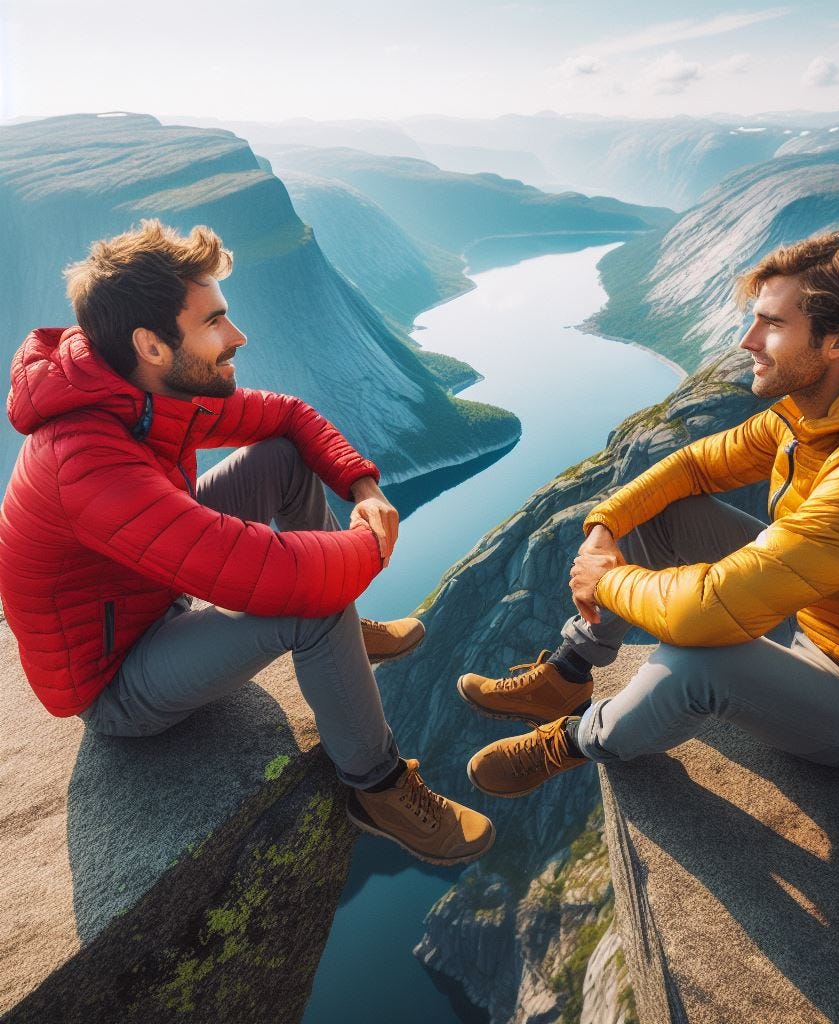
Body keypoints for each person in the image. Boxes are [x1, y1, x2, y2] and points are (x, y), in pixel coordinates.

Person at [0, 220, 493, 865]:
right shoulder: (88, 460)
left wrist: (364, 488)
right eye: (214, 322)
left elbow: (288, 416)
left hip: (146, 586)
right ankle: (375, 786)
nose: (238, 337)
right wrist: (367, 550)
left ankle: (343, 634)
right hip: (117, 682)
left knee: (284, 459)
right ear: (151, 344)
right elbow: (281, 577)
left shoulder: (140, 392)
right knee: (309, 600)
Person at [460, 231, 839, 797]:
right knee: (658, 516)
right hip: (811, 617)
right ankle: (567, 674)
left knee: (697, 660)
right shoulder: (819, 415)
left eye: (772, 324)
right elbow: (694, 467)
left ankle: (578, 740)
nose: (747, 340)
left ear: (838, 340)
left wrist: (608, 581)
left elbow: (704, 615)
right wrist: (605, 528)